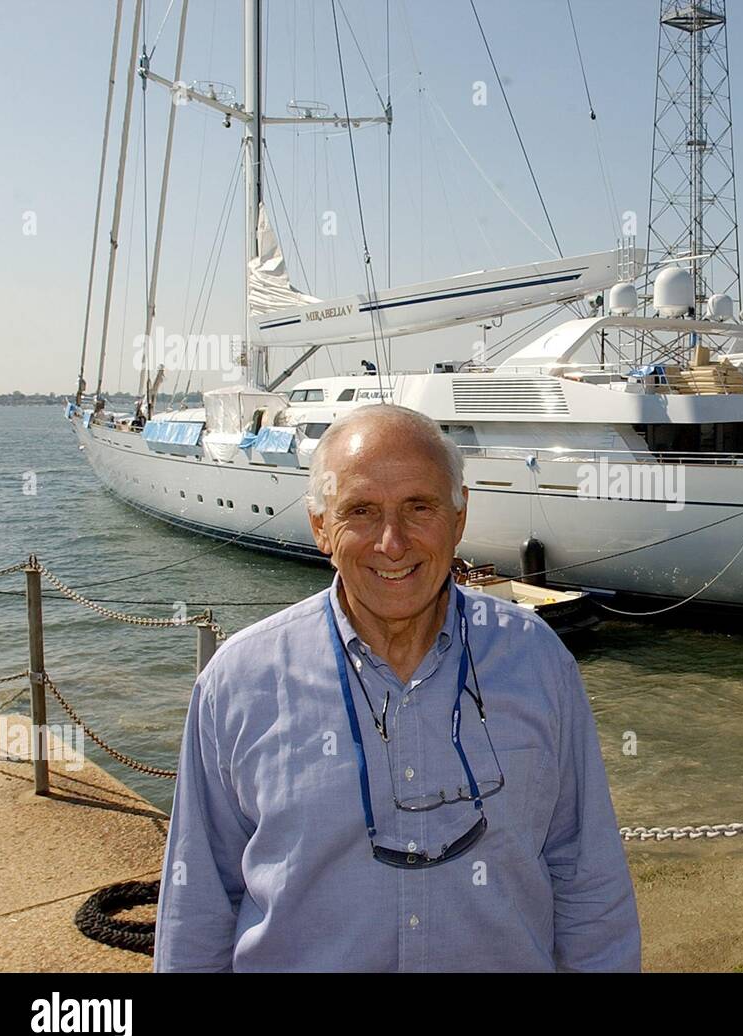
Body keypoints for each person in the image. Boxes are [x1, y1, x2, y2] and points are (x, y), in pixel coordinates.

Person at [154, 405, 640, 972]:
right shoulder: (238, 684)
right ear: (319, 528)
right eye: (360, 510)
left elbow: (587, 880)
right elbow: (199, 907)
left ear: (459, 518)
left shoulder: (537, 662)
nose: (392, 542)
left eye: (419, 507)